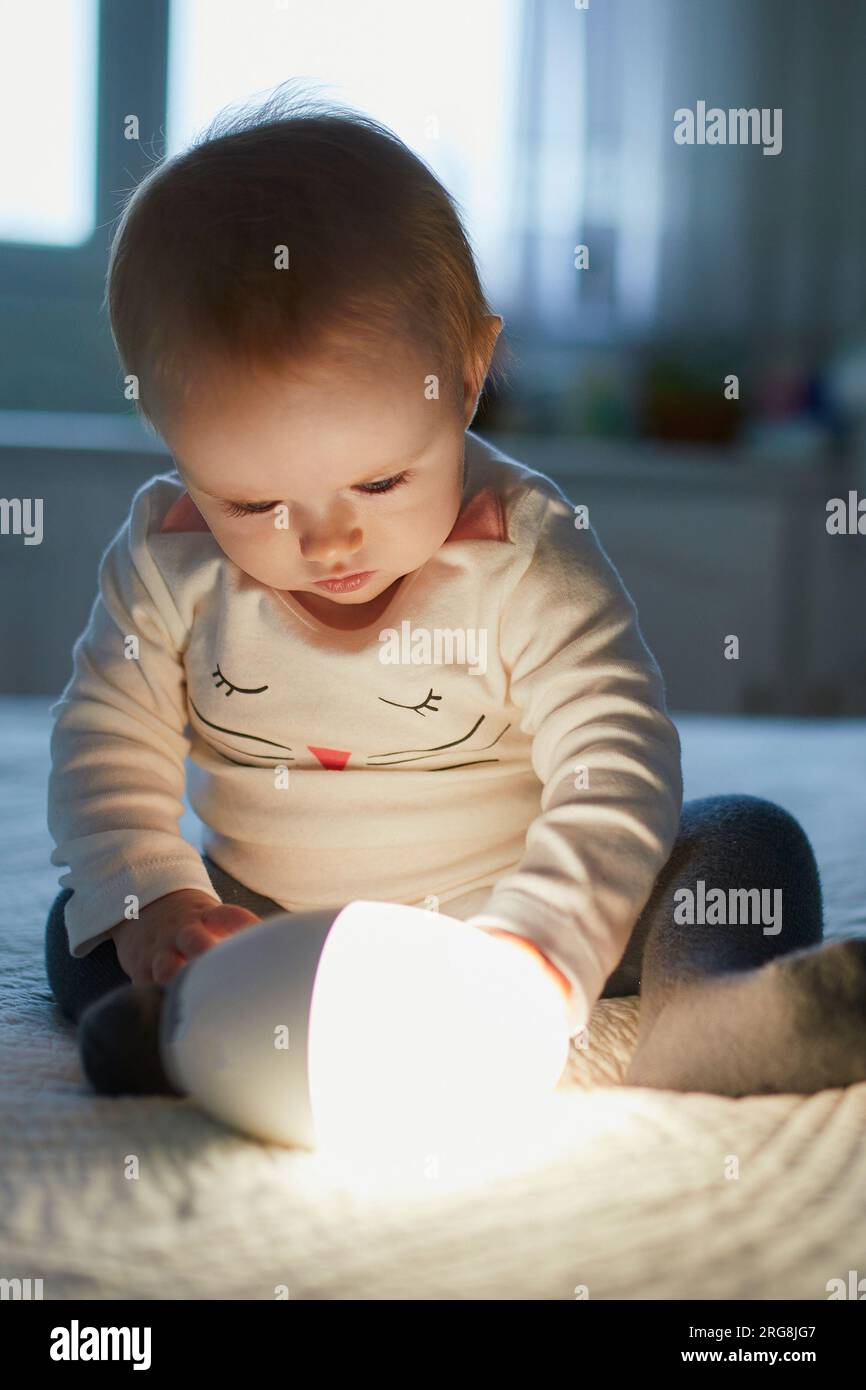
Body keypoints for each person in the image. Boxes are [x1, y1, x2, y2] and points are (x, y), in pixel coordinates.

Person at [44, 83, 866, 1100]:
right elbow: (103, 741)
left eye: (382, 481)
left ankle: (703, 1014)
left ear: (469, 373)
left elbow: (610, 749)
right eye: (252, 501)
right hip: (263, 916)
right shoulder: (169, 557)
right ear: (173, 444)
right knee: (91, 910)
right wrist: (160, 903)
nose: (325, 538)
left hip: (502, 907)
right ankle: (181, 1012)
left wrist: (542, 941)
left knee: (743, 840)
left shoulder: (519, 548)